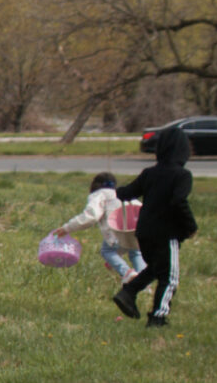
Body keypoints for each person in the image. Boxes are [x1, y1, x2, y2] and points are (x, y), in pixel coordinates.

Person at [110, 128, 197, 327]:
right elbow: (179, 201)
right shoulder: (182, 175)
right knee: (170, 277)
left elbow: (127, 193)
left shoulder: (149, 173)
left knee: (157, 268)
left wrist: (110, 188)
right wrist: (191, 226)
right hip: (166, 234)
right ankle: (158, 317)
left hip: (144, 232)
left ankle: (128, 293)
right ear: (183, 150)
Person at [54, 171, 143, 284]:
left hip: (117, 230)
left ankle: (127, 272)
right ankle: (144, 282)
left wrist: (67, 228)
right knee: (136, 252)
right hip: (138, 228)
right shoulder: (123, 192)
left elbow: (91, 216)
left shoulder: (99, 195)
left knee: (107, 251)